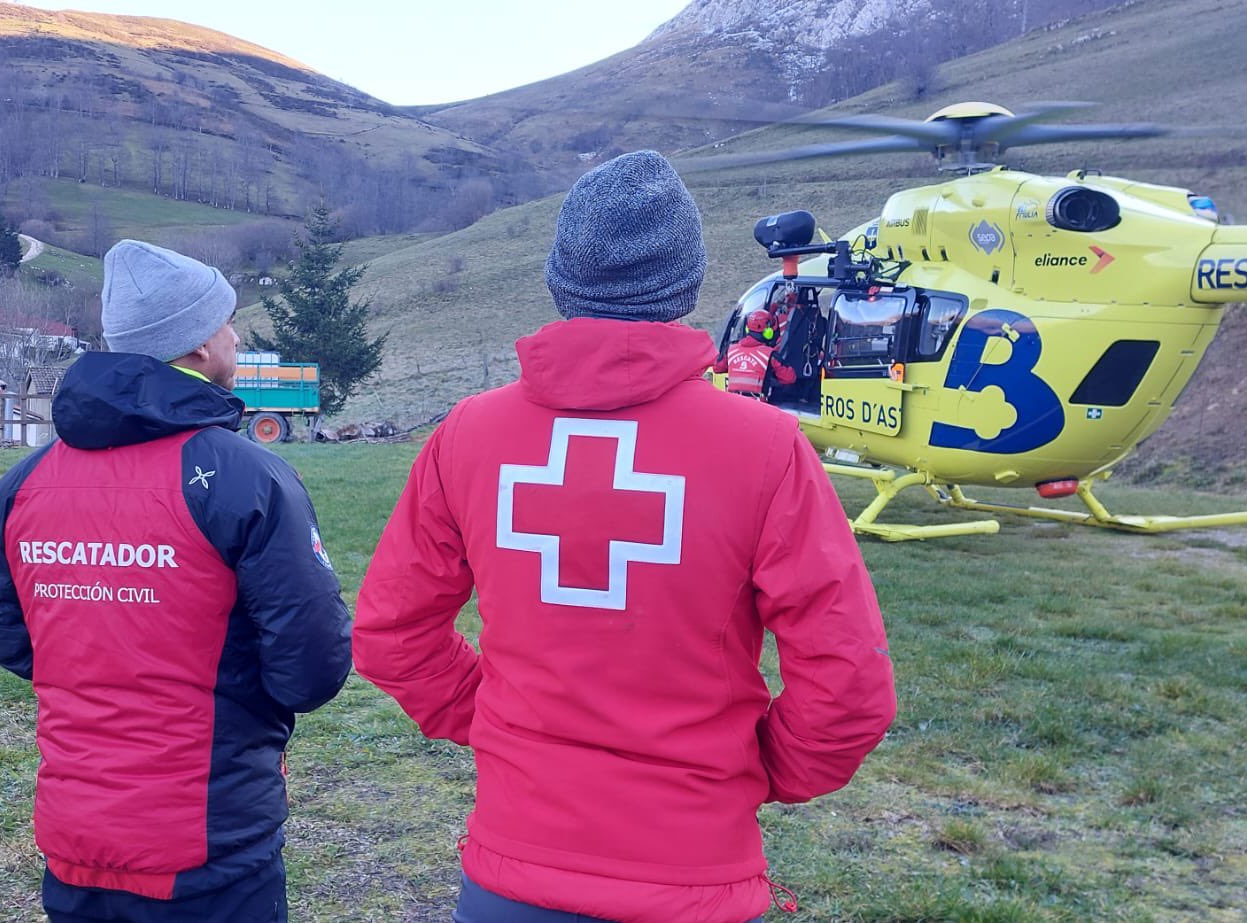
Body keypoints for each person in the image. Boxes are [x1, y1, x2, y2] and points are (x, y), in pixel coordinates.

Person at [353, 151, 897, 923]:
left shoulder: (469, 434)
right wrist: (752, 769)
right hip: (694, 873)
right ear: (687, 284)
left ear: (560, 280)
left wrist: (502, 731)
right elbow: (848, 684)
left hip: (513, 871)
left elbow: (390, 632)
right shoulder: (764, 447)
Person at [0, 240, 351, 923]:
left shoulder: (22, 484)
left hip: (76, 839)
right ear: (202, 345)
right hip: (210, 844)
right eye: (229, 322)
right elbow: (311, 668)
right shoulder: (247, 478)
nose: (236, 337)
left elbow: (16, 646)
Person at [713, 309, 797, 397]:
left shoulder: (730, 350)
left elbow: (717, 368)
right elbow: (790, 378)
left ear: (747, 329)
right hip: (757, 403)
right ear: (767, 332)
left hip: (734, 401)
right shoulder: (769, 355)